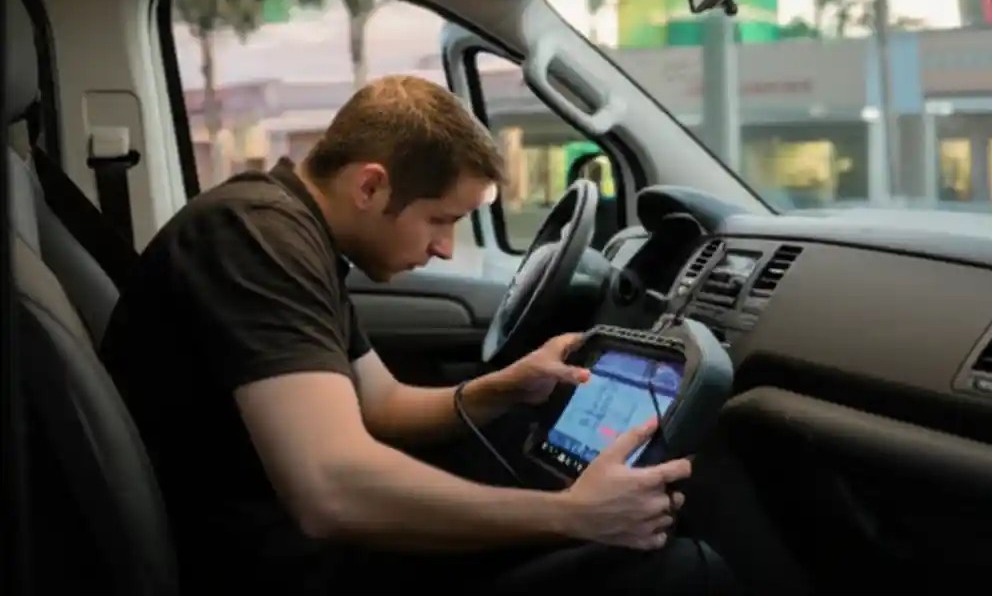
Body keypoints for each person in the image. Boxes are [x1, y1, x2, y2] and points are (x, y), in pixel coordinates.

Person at [99, 75, 738, 595]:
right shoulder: (255, 237)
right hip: (264, 567)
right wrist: (571, 514)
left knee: (515, 448)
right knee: (683, 571)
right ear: (371, 185)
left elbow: (378, 407)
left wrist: (506, 388)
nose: (442, 247)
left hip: (285, 546)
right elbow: (332, 490)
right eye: (440, 218)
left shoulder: (292, 233)